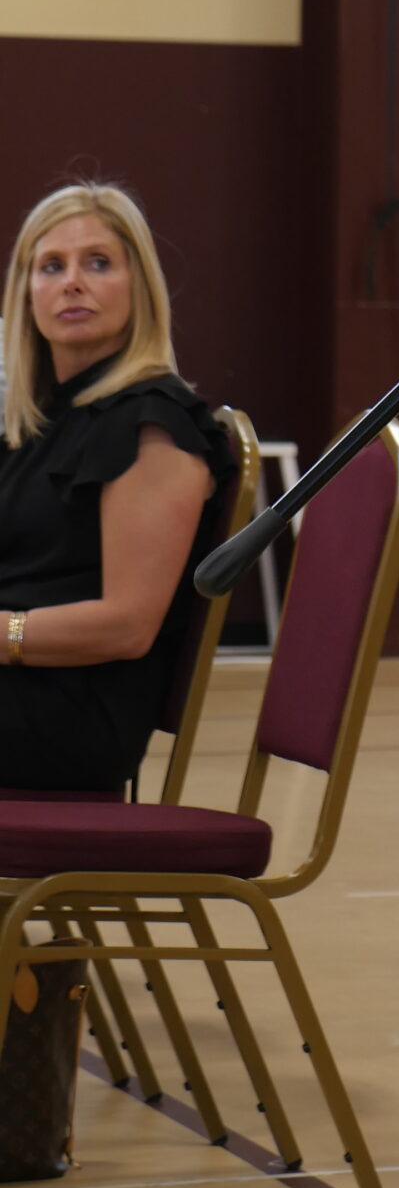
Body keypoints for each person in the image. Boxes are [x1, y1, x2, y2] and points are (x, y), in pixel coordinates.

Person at [0, 183, 232, 794]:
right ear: (26, 293)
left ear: (139, 285)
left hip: (66, 718)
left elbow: (127, 624)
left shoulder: (152, 421)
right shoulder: (39, 420)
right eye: (52, 266)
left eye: (98, 263)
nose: (72, 282)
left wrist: (5, 634)